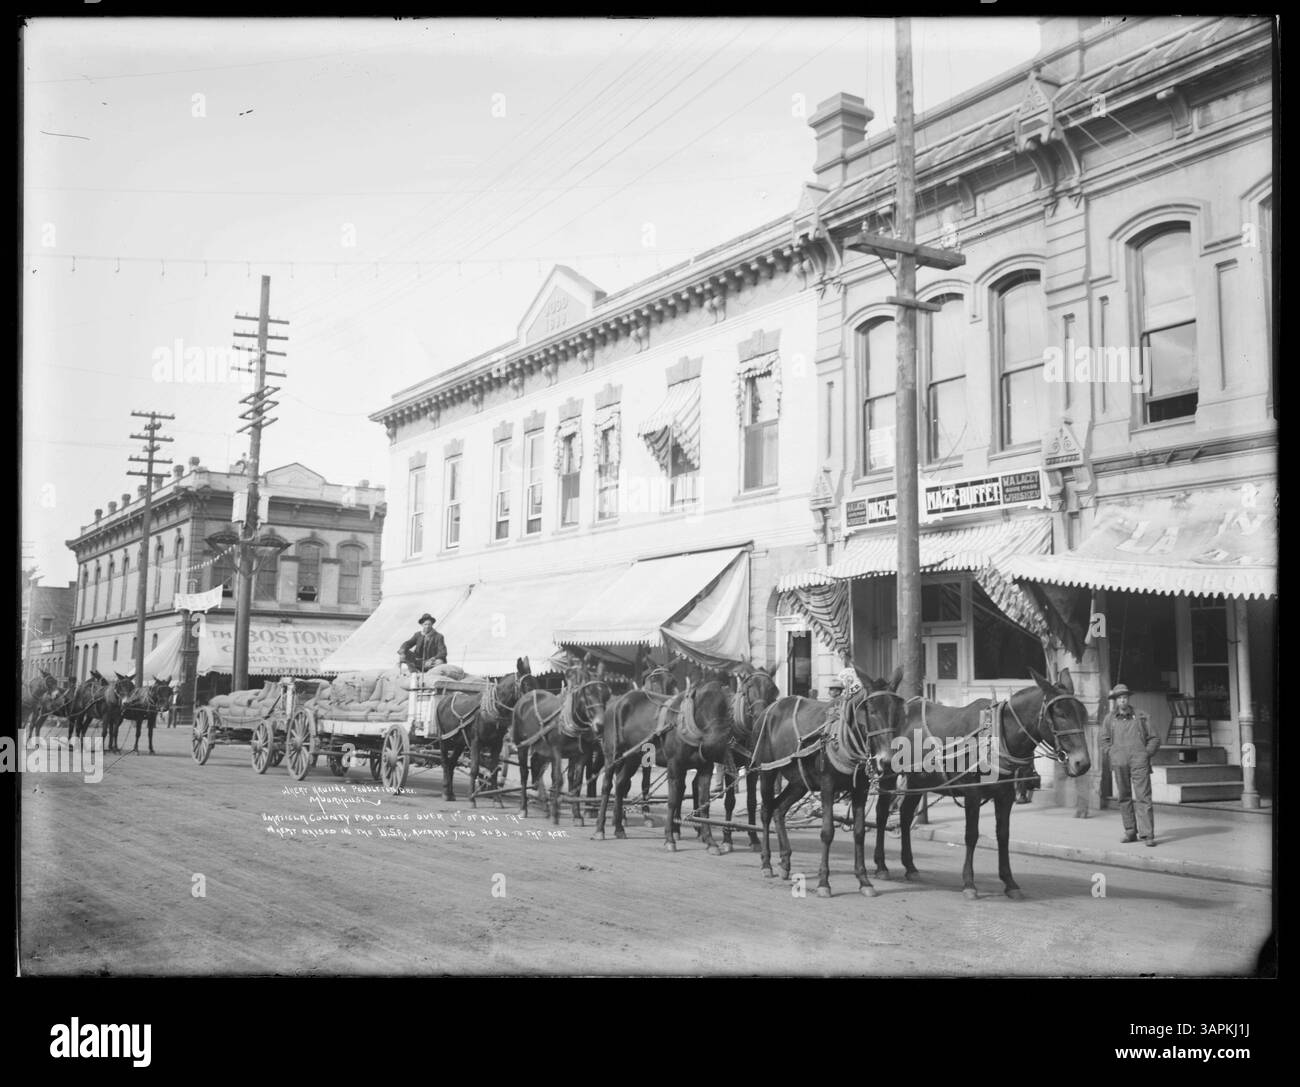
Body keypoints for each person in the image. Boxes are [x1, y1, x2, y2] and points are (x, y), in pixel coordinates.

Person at [1101, 683, 1160, 846]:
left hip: (1139, 762)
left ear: (1128, 699)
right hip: (1119, 763)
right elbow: (1104, 740)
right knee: (1124, 797)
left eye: (1125, 697)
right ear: (1115, 700)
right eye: (1119, 698)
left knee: (1143, 797)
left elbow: (1154, 738)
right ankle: (1130, 831)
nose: (1123, 700)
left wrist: (1145, 754)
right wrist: (1112, 754)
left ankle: (1148, 835)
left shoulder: (1141, 716)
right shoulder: (1109, 719)